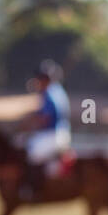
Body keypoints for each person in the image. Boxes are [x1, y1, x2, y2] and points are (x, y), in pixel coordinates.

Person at [19, 60, 72, 199]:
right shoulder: (58, 90)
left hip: (52, 134)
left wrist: (27, 124)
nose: (38, 81)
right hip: (60, 133)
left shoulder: (49, 94)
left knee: (30, 153)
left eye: (40, 78)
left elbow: (45, 118)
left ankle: (31, 189)